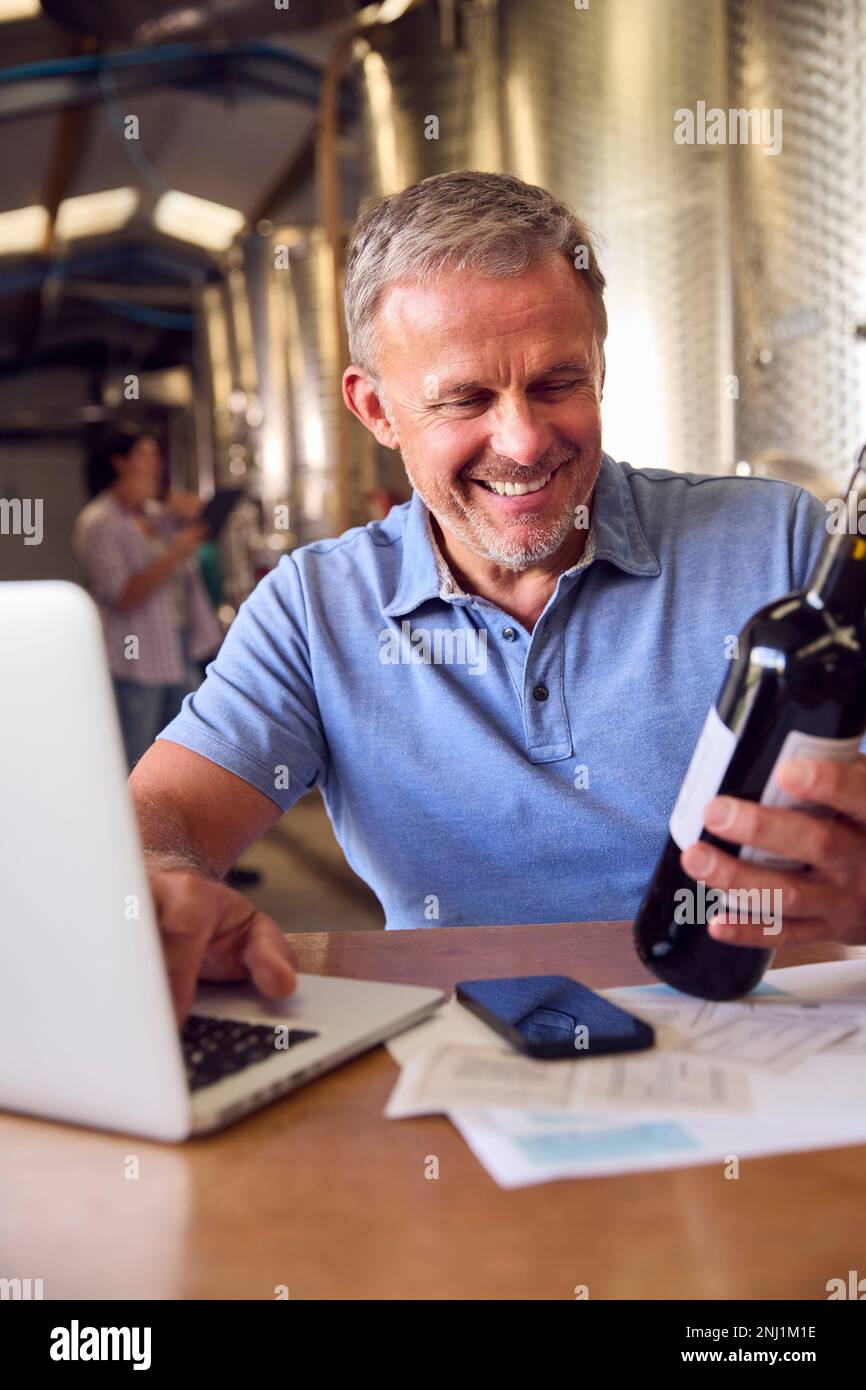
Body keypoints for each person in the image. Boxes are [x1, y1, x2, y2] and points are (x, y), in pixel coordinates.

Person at [127, 170, 866, 1023]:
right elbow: (161, 815)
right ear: (376, 410)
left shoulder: (780, 547)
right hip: (460, 1056)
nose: (522, 441)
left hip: (772, 1041)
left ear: (599, 365)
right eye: (465, 398)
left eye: (558, 383)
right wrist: (163, 886)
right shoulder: (315, 610)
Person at [74, 429, 223, 771]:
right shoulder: (99, 522)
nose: (156, 464)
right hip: (135, 660)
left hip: (178, 649)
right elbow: (123, 596)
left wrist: (185, 504)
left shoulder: (155, 515)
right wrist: (176, 553)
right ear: (120, 462)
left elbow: (204, 519)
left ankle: (178, 822)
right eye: (146, 454)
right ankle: (133, 825)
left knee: (191, 751)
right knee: (138, 760)